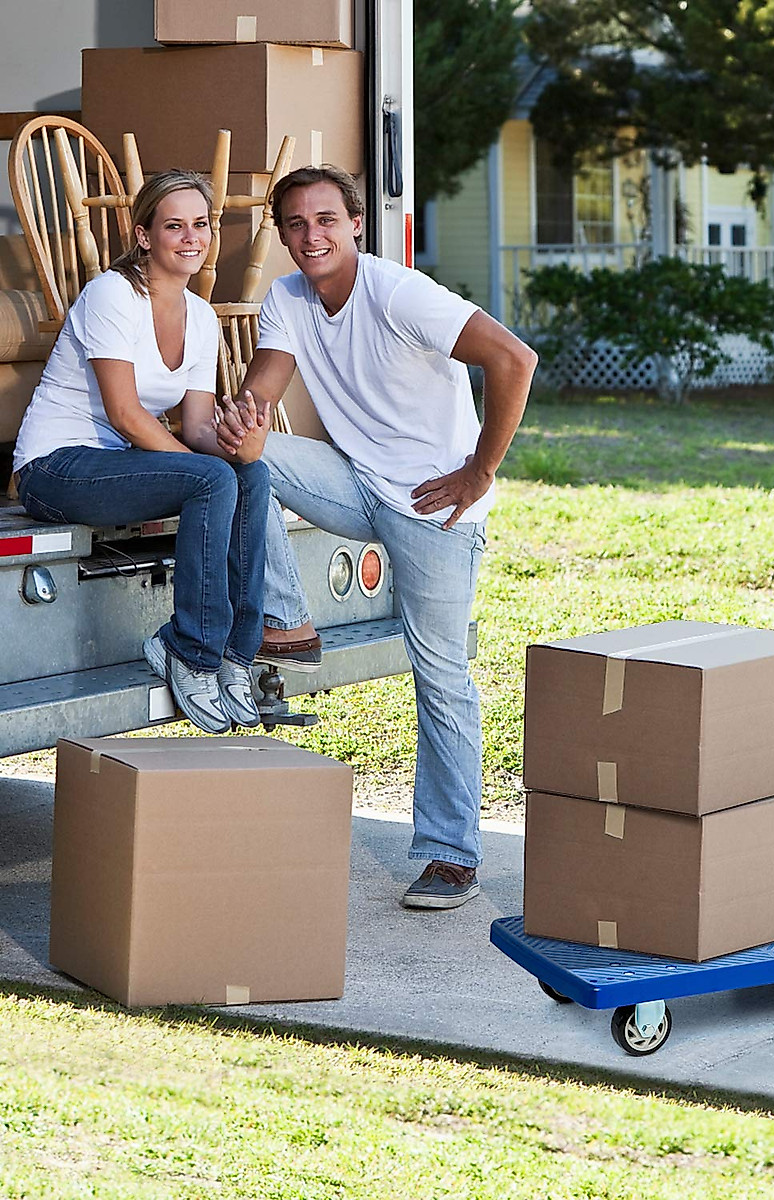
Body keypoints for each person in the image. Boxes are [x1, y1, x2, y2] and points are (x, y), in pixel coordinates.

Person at [215, 165, 536, 910]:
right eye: (295, 224)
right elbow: (262, 392)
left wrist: (478, 471)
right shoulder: (289, 298)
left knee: (440, 673)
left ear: (356, 223)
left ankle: (451, 856)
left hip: (433, 505)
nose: (310, 235)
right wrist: (240, 421)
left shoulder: (398, 293)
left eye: (325, 219)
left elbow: (513, 359)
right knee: (235, 462)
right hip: (358, 483)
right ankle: (287, 622)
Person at [12, 171, 271, 735]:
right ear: (144, 235)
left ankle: (235, 654)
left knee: (251, 475)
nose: (190, 237)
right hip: (55, 468)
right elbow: (128, 415)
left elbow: (198, 426)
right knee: (213, 480)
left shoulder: (201, 318)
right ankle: (190, 651)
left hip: (117, 467)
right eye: (173, 225)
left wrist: (235, 443)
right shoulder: (112, 292)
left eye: (200, 225)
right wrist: (202, 468)